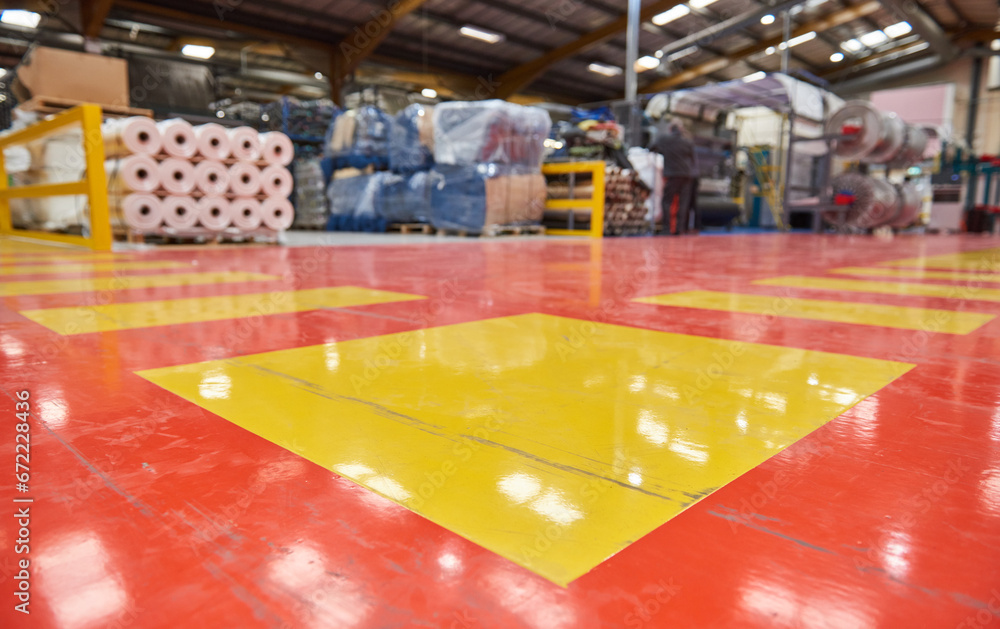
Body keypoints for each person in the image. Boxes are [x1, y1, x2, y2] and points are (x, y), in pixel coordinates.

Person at [648, 120, 696, 235]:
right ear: (681, 129)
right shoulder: (687, 142)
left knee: (667, 201)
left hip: (672, 174)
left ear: (670, 129)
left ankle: (666, 229)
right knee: (683, 202)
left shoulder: (664, 140)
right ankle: (680, 229)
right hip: (686, 175)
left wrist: (662, 151)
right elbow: (693, 159)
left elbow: (651, 148)